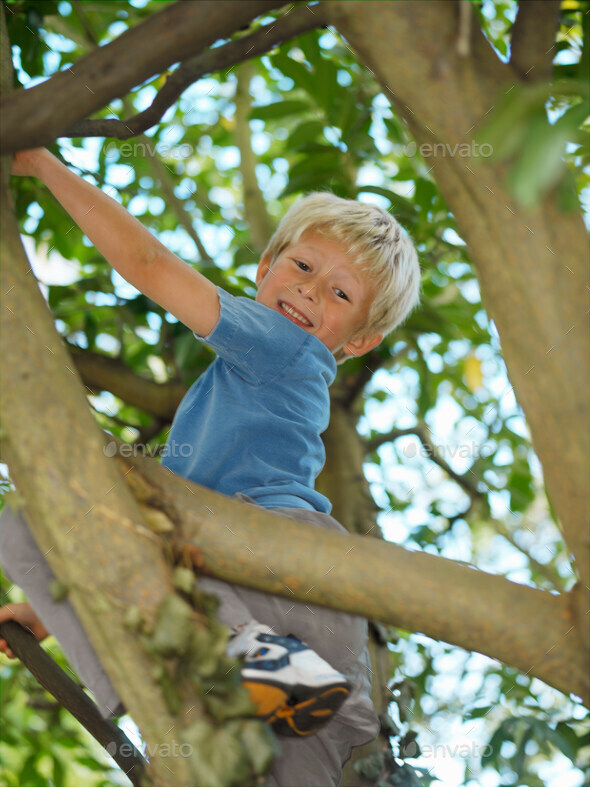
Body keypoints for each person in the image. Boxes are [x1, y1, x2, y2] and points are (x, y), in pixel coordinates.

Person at [0, 147, 420, 786]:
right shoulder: (245, 386)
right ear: (265, 267)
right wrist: (54, 607)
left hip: (268, 562)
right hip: (287, 610)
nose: (310, 289)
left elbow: (148, 265)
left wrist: (43, 163)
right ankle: (227, 679)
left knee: (38, 516)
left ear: (358, 340)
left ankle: (214, 668)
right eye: (303, 265)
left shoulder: (284, 349)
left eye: (340, 292)